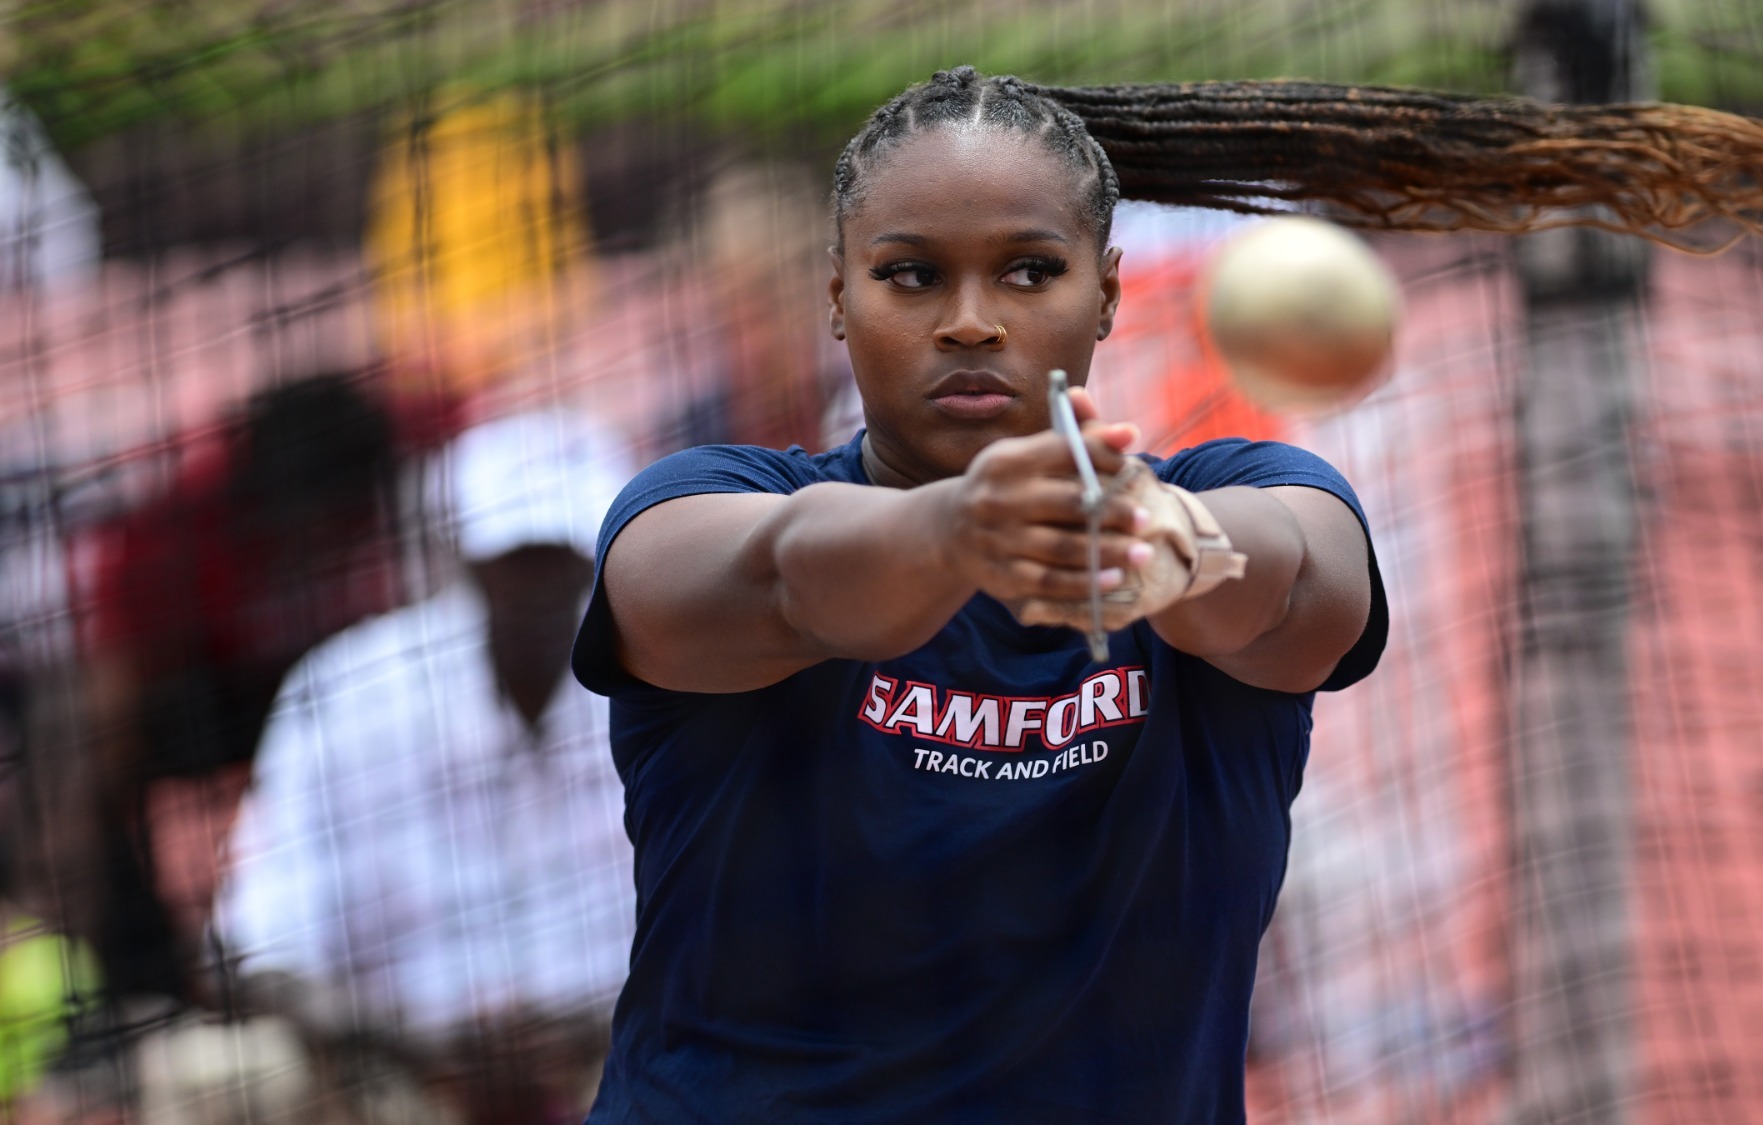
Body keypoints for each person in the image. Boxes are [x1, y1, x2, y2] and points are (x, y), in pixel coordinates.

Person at [570, 68, 1389, 1122]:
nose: (969, 322)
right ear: (836, 295)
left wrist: (1155, 540)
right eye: (910, 276)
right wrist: (955, 530)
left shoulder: (1253, 493)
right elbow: (783, 579)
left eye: (1028, 271)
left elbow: (1294, 598)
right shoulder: (696, 503)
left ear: (1105, 291)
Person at [218, 410, 636, 1125]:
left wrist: (582, 1031)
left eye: (559, 555)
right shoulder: (347, 689)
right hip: (385, 1070)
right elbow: (258, 951)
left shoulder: (666, 689)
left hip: (621, 1048)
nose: (537, 584)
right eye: (515, 557)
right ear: (464, 557)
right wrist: (419, 1043)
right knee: (224, 1073)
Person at [78, 372, 400, 1009]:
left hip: (332, 736)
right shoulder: (170, 540)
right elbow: (119, 724)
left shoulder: (374, 474)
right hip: (201, 741)